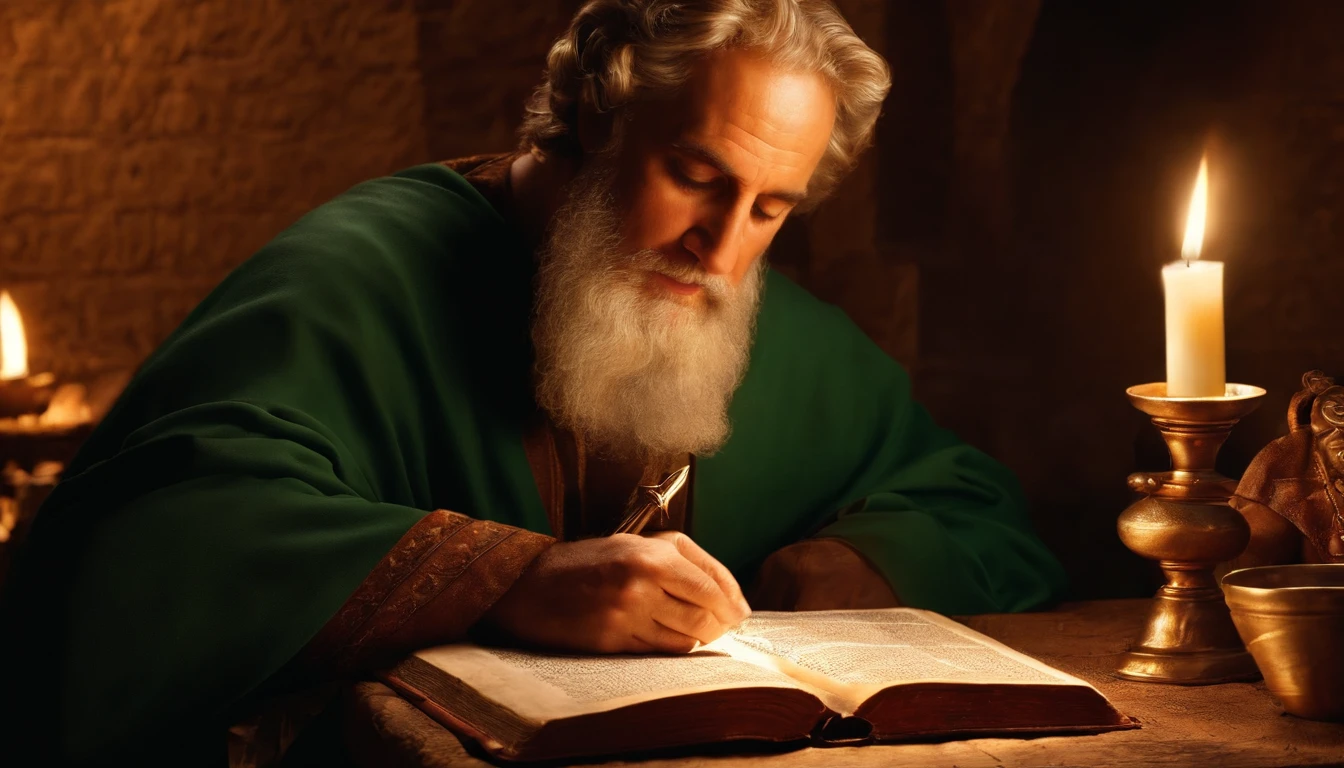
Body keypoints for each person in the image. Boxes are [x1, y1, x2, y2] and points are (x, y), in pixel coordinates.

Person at [0, 0, 1067, 763]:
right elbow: (142, 542)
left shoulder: (755, 317)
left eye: (771, 208)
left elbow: (977, 509)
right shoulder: (355, 276)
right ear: (599, 117)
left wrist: (860, 562)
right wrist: (510, 579)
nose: (723, 249)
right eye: (696, 176)